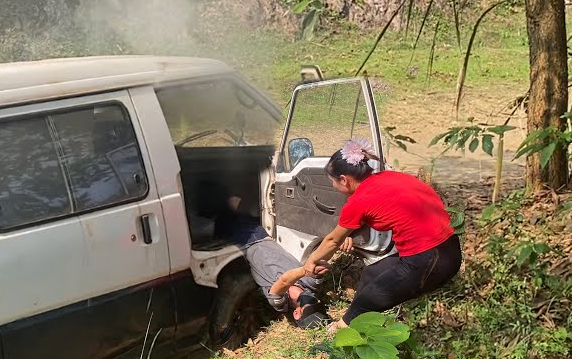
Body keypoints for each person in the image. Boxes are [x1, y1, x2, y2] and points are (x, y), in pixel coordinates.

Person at [301, 137, 461, 328]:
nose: (334, 187)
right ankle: (360, 329)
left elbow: (332, 241)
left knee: (364, 305)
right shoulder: (390, 178)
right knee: (372, 274)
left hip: (427, 260)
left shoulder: (359, 200)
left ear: (344, 180)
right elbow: (383, 213)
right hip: (448, 249)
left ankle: (338, 335)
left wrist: (311, 262)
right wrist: (349, 236)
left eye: (333, 182)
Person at [196, 183, 330, 329]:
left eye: (311, 309)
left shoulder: (280, 302)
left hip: (246, 245)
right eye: (319, 307)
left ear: (297, 314)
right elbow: (320, 259)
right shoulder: (310, 284)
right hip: (262, 236)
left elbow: (284, 281)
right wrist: (333, 248)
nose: (315, 303)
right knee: (237, 211)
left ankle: (201, 198)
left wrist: (305, 269)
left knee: (220, 220)